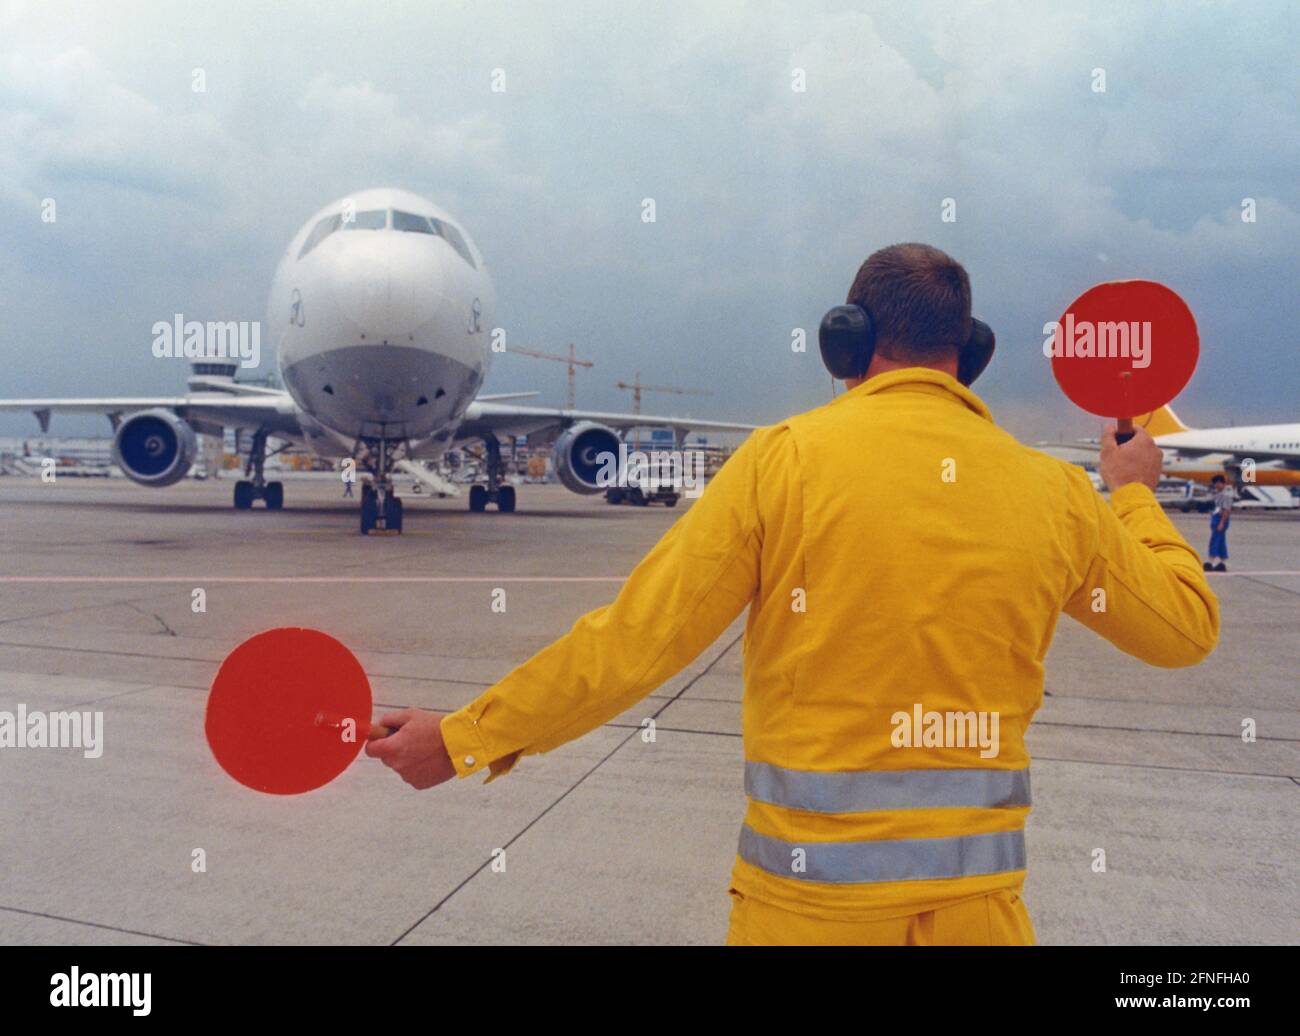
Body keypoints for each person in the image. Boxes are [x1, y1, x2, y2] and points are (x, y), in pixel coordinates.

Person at [365, 243, 1220, 945]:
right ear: (975, 353)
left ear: (844, 343)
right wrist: (1134, 492)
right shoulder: (1055, 495)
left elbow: (636, 642)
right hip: (980, 919)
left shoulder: (784, 463)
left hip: (808, 916)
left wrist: (467, 738)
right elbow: (1185, 629)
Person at [1205, 474, 1232, 572]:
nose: (1217, 485)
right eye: (1215, 483)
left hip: (1221, 519)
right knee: (1220, 541)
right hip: (1215, 518)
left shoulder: (1226, 495)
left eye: (1218, 483)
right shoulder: (1216, 494)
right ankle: (1222, 562)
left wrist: (1221, 523)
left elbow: (1226, 511)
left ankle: (1211, 561)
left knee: (1214, 541)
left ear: (1223, 483)